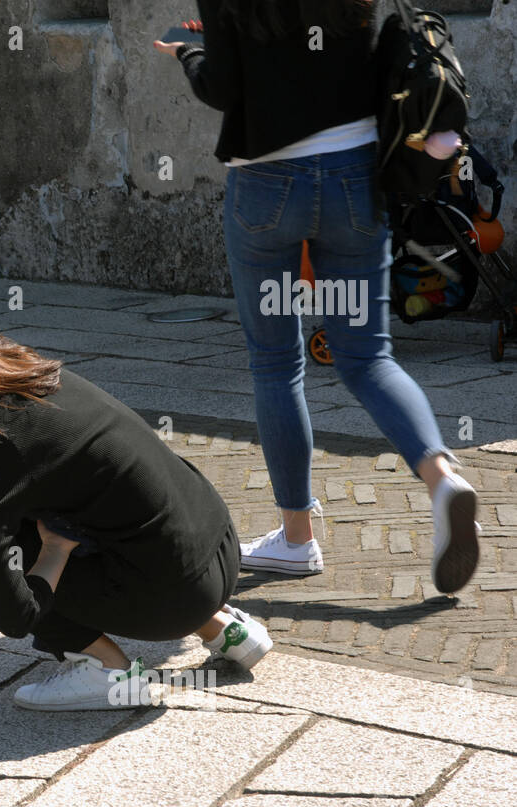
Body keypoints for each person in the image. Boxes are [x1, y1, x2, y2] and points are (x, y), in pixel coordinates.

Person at [156, 0, 481, 594]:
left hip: (267, 186)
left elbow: (223, 88)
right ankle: (441, 477)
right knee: (368, 357)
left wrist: (189, 51)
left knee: (276, 364)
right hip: (354, 179)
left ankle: (297, 539)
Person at [0, 284, 270, 711]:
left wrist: (53, 556)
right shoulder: (11, 362)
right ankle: (223, 629)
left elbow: (13, 614)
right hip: (216, 548)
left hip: (170, 597)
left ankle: (109, 673)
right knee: (78, 515)